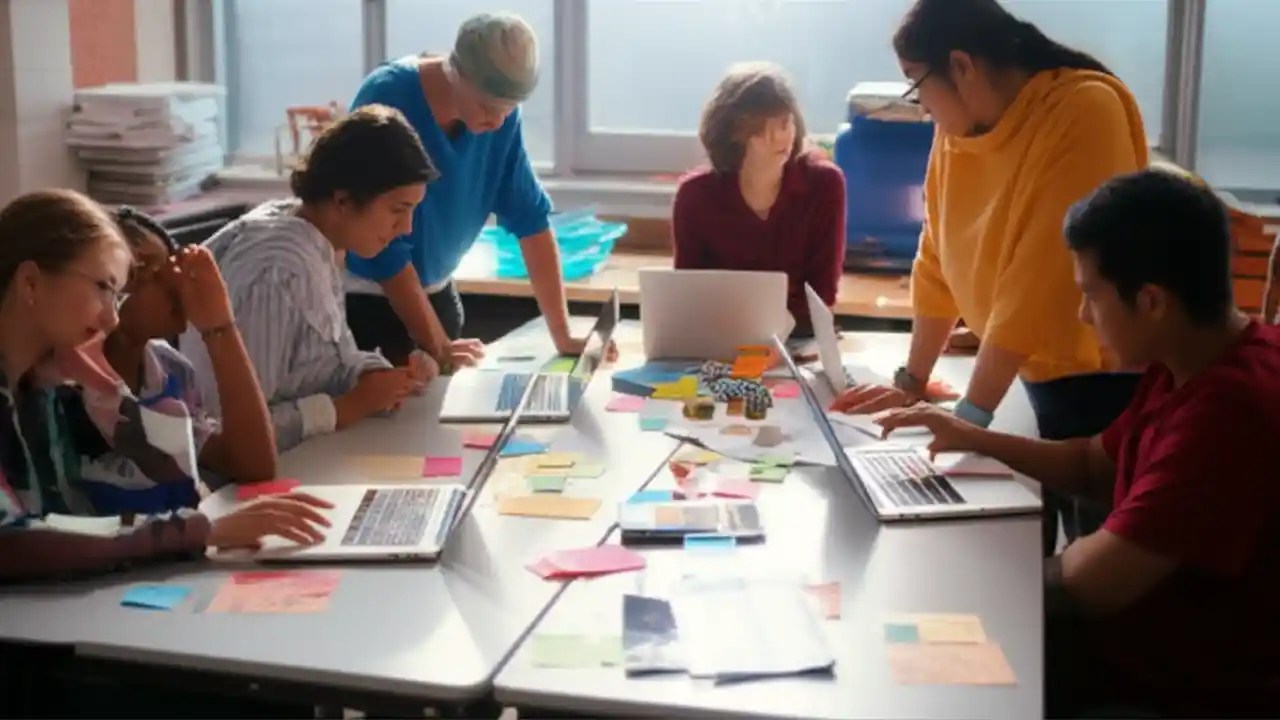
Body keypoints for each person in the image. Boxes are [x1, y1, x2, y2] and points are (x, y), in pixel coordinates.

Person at [877, 170, 1280, 717]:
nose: (1082, 314)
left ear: (1152, 301)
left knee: (912, 681)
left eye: (1090, 294)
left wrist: (946, 590)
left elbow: (1090, 583)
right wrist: (975, 438)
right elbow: (1094, 464)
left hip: (1176, 689)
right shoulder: (1190, 360)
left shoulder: (1229, 411)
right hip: (1133, 652)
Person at [830, 0, 1149, 554]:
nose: (920, 106)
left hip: (1108, 384)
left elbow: (1042, 282)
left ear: (962, 66)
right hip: (1033, 378)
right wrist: (911, 383)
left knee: (1099, 560)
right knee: (1030, 543)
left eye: (916, 84)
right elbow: (937, 257)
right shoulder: (960, 126)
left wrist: (967, 421)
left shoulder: (1082, 108)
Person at [0, 189, 331, 582]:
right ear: (32, 283)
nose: (111, 319)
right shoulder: (50, 389)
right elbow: (13, 544)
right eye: (104, 288)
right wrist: (199, 530)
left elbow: (160, 485)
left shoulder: (50, 385)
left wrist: (107, 392)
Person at [180, 105, 438, 453]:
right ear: (343, 200)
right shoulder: (277, 269)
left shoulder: (320, 239)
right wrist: (346, 408)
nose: (406, 228)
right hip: (240, 486)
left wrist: (378, 376)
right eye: (398, 210)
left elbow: (320, 358)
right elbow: (224, 429)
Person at [344, 12, 591, 369]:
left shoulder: (500, 120)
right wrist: (437, 344)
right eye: (488, 106)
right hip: (369, 301)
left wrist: (563, 335)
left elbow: (531, 220)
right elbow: (384, 251)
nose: (497, 121)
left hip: (439, 296)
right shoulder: (388, 97)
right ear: (455, 72)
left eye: (510, 109)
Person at [69, 208, 277, 509]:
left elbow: (253, 465)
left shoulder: (169, 371)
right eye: (145, 270)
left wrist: (220, 325)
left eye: (171, 264)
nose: (174, 282)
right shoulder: (61, 382)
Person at [672, 62, 846, 336]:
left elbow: (822, 293)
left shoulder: (824, 184)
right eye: (760, 129)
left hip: (798, 341)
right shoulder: (695, 196)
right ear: (732, 135)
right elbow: (690, 295)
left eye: (785, 123)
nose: (779, 137)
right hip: (720, 341)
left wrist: (777, 337)